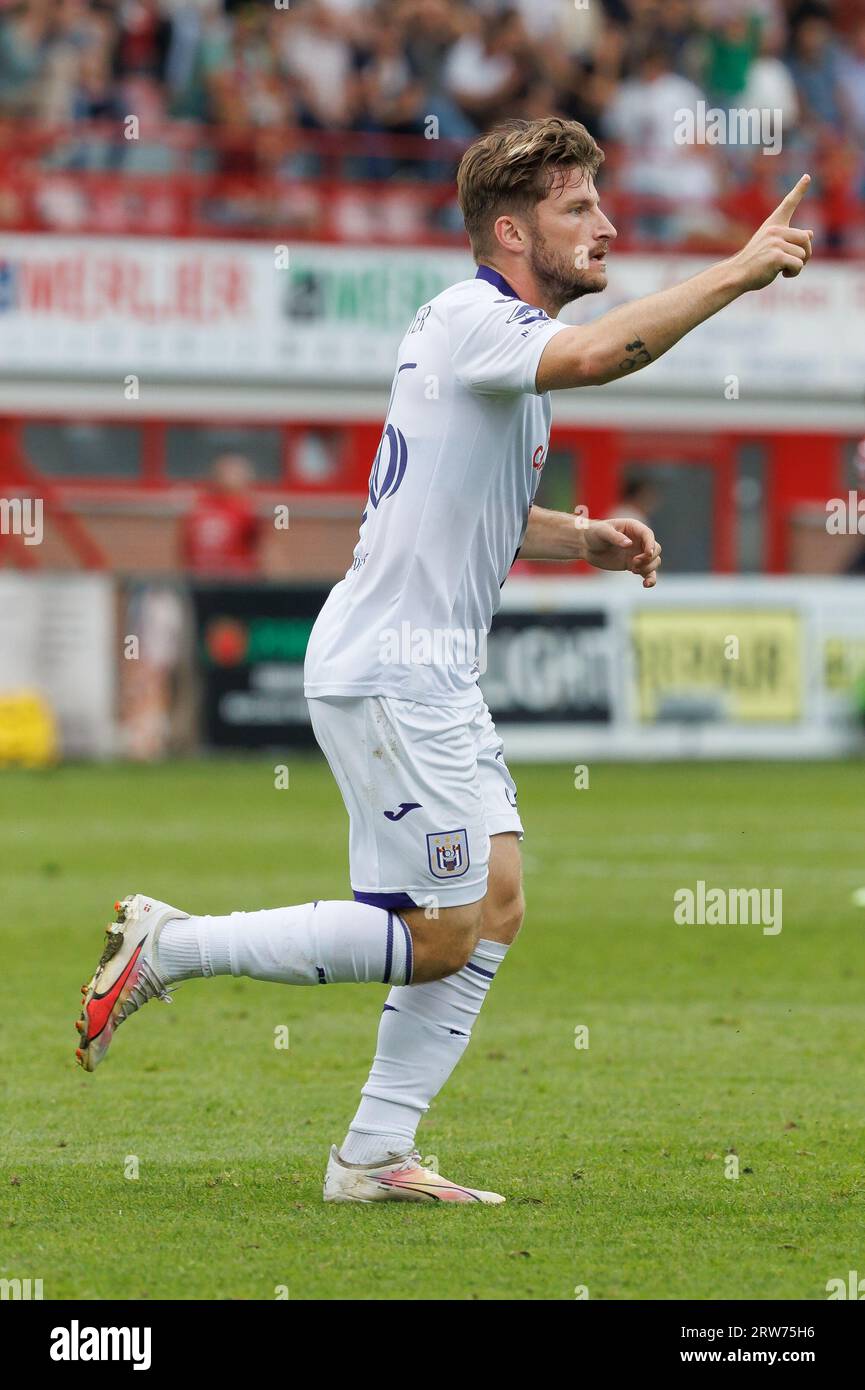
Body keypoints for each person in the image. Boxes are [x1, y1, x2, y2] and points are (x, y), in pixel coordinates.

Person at [74, 116, 813, 1204]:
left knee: (494, 899)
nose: (606, 226)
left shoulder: (483, 335)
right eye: (579, 209)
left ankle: (374, 1155)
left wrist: (583, 538)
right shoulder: (482, 321)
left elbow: (467, 507)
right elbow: (611, 352)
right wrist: (740, 271)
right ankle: (170, 947)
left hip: (425, 671)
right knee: (438, 933)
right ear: (511, 231)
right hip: (393, 670)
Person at [180, 453, 260, 578]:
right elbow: (185, 550)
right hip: (210, 582)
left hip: (231, 582)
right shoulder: (200, 510)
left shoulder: (247, 510)